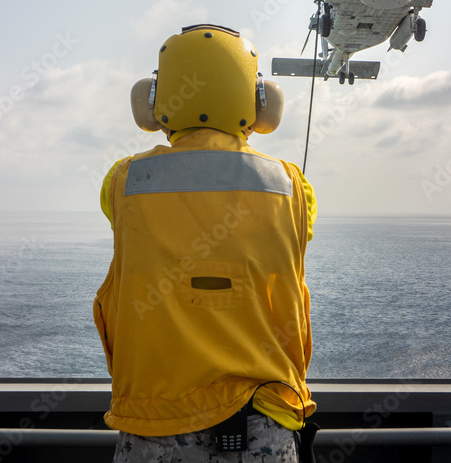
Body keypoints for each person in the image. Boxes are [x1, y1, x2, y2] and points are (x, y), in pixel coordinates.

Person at [94, 24, 317, 462]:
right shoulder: (292, 185)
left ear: (155, 102)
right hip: (265, 422)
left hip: (155, 425)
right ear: (260, 103)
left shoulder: (123, 181)